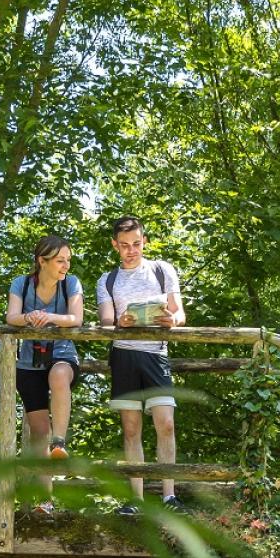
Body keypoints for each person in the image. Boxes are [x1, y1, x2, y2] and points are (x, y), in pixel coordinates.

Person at [95, 215, 185, 514]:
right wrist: (119, 322)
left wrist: (172, 320)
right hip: (124, 356)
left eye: (136, 243)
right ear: (115, 245)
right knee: (132, 429)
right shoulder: (107, 280)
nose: (131, 250)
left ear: (144, 241)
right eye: (124, 245)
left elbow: (179, 313)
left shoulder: (163, 270)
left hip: (156, 355)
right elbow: (106, 321)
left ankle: (169, 496)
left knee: (166, 423)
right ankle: (136, 500)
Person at [6, 235, 84, 516]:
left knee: (59, 376)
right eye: (60, 260)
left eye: (68, 260)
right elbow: (11, 317)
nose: (66, 265)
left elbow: (76, 318)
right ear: (42, 261)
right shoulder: (21, 283)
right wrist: (30, 317)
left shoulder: (71, 283)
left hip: (62, 355)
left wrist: (49, 317)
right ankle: (45, 500)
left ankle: (59, 442)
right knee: (39, 430)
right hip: (28, 363)